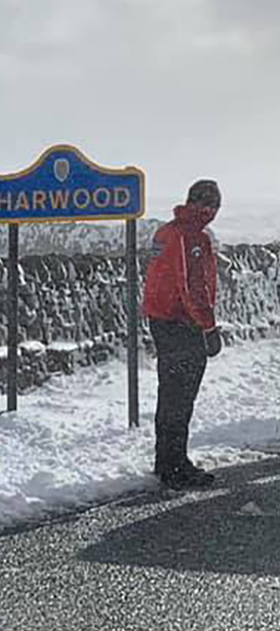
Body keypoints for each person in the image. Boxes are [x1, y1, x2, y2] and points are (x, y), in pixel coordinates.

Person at [143, 178, 224, 488]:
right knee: (180, 397)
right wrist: (209, 327)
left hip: (162, 321)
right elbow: (192, 287)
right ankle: (175, 466)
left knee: (170, 396)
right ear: (200, 204)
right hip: (181, 325)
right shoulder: (190, 236)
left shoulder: (167, 231)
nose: (213, 211)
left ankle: (168, 461)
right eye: (211, 205)